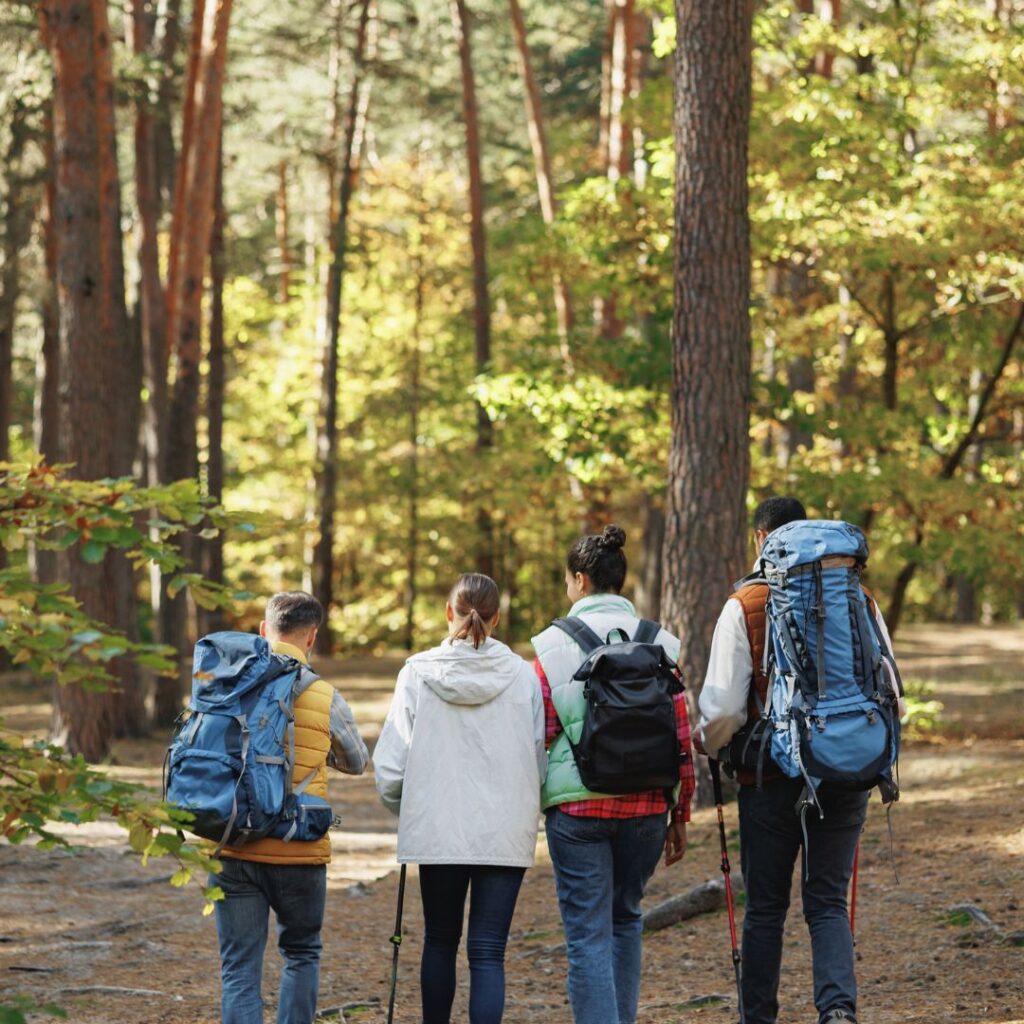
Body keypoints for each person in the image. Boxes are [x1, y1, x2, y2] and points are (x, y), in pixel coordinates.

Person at [697, 496, 902, 1024]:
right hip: (844, 763)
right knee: (828, 901)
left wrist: (713, 747)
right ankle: (837, 1011)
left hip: (769, 776)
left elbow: (720, 707)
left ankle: (758, 1016)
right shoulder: (859, 596)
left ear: (761, 540)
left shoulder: (745, 603)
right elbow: (892, 694)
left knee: (765, 907)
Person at [532, 524, 695, 1024]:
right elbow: (681, 735)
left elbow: (540, 733)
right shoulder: (661, 641)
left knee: (586, 934)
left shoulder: (550, 646)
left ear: (579, 580)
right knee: (626, 920)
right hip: (647, 807)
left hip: (578, 810)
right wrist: (680, 812)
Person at [373, 573, 546, 1024]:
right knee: (489, 952)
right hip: (504, 829)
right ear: (497, 617)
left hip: (439, 824)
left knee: (440, 940)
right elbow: (536, 757)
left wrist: (409, 807)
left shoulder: (417, 672)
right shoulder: (523, 676)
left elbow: (391, 767)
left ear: (449, 612)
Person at [210, 591, 369, 1024]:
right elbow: (357, 761)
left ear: (264, 630)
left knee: (239, 968)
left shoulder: (225, 681)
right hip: (298, 846)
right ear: (312, 637)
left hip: (234, 841)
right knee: (301, 953)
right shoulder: (323, 693)